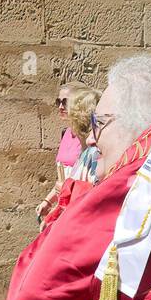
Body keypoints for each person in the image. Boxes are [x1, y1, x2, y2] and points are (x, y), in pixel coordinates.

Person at [37, 79, 88, 219]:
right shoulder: (66, 133)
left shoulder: (87, 137)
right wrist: (48, 201)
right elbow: (63, 178)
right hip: (65, 205)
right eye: (58, 102)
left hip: (79, 207)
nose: (60, 106)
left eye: (65, 102)